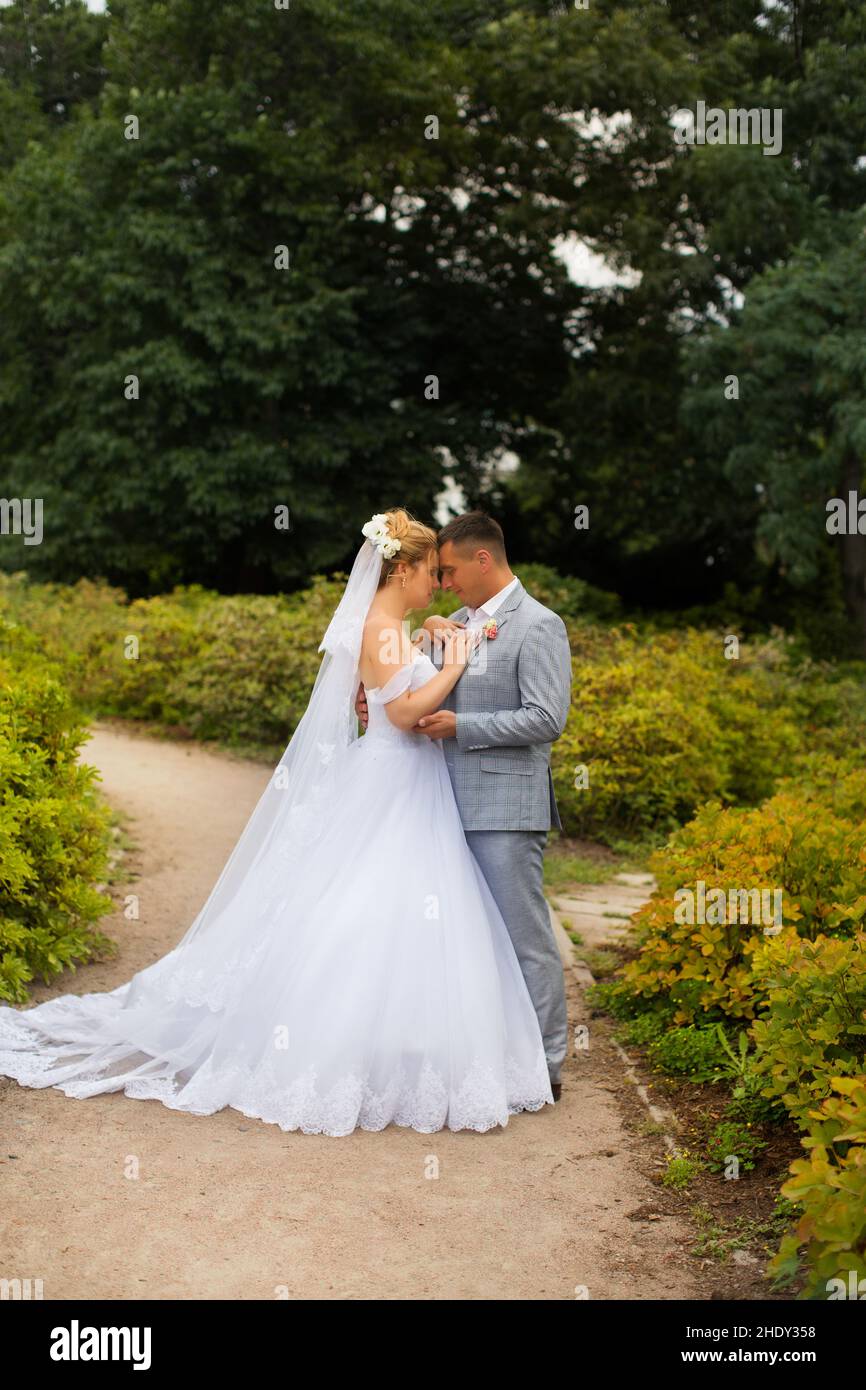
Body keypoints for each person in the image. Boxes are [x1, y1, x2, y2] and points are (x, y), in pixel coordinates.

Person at [0, 509, 556, 1137]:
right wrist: (455, 660)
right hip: (397, 780)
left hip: (403, 781)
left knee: (390, 912)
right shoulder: (383, 630)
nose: (438, 585)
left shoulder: (385, 626)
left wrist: (432, 640)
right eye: (431, 573)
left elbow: (384, 684)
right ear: (401, 569)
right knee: (379, 911)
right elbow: (401, 713)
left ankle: (392, 1046)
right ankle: (366, 1051)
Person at [356, 511, 573, 1099]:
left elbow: (547, 717)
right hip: (438, 807)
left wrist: (462, 726)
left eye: (449, 569)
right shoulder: (446, 624)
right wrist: (374, 696)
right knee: (465, 942)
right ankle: (487, 1061)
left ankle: (548, 1065)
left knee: (522, 940)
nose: (443, 580)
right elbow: (401, 683)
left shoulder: (539, 626)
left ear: (484, 560)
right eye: (435, 571)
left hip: (505, 809)